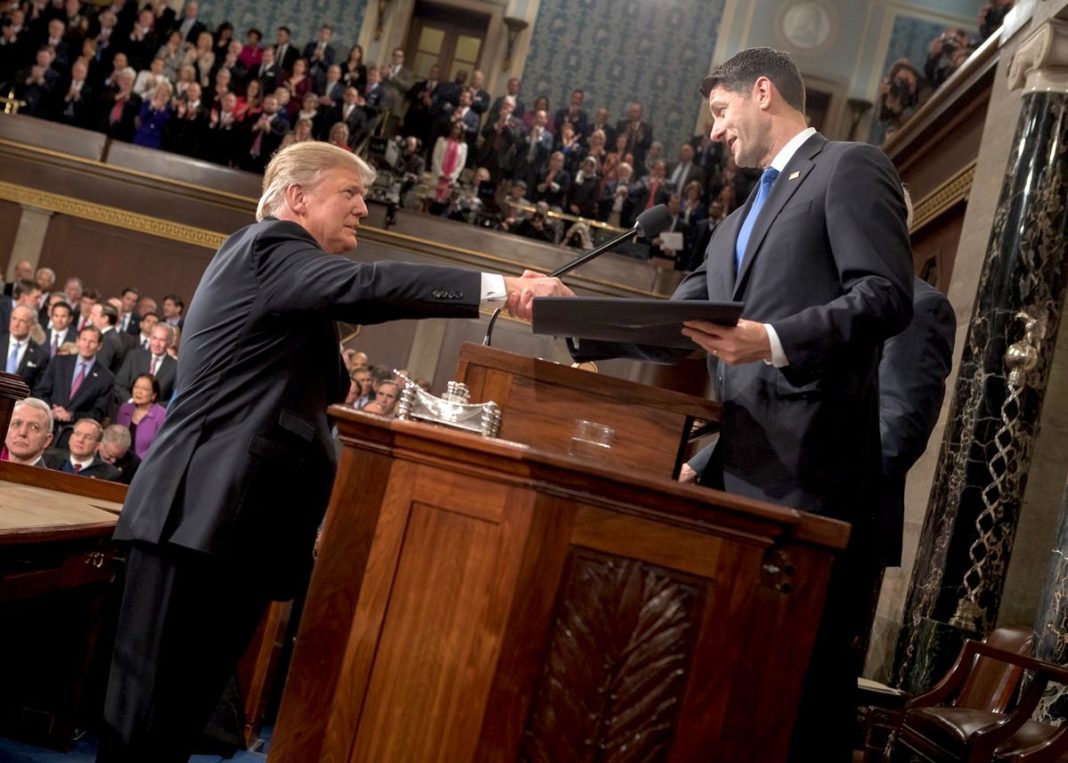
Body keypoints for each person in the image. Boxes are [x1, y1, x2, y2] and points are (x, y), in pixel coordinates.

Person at [96, 141, 571, 762]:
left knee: (173, 727)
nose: (364, 209)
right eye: (350, 194)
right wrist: (501, 288)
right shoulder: (265, 247)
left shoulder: (293, 279)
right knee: (144, 726)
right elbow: (369, 286)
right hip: (195, 515)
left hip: (230, 527)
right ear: (296, 197)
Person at [572, 47, 913, 761]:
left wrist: (777, 339)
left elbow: (885, 296)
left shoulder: (848, 168)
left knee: (791, 706)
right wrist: (569, 317)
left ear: (763, 93)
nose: (716, 133)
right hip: (732, 486)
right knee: (722, 693)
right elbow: (678, 326)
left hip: (811, 486)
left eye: (721, 113)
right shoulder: (732, 225)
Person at [43, 417, 122, 479]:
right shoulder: (46, 459)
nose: (80, 440)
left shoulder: (110, 474)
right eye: (78, 434)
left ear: (97, 446)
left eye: (88, 437)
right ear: (70, 438)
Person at [114, 372, 167, 459]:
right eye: (136, 387)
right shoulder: (124, 408)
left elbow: (161, 446)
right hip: (120, 459)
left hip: (145, 463)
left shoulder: (161, 415)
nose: (139, 392)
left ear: (154, 395)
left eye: (145, 389)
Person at [3, 397, 54, 467]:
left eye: (34, 427)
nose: (22, 433)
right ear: (4, 431)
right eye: (16, 423)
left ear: (46, 440)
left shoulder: (48, 478)